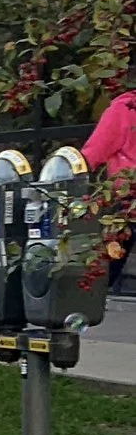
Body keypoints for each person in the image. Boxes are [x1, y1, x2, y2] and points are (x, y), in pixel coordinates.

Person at [84, 85, 135, 290]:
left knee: (109, 262)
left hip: (128, 196)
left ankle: (93, 299)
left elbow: (93, 154)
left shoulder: (124, 109)